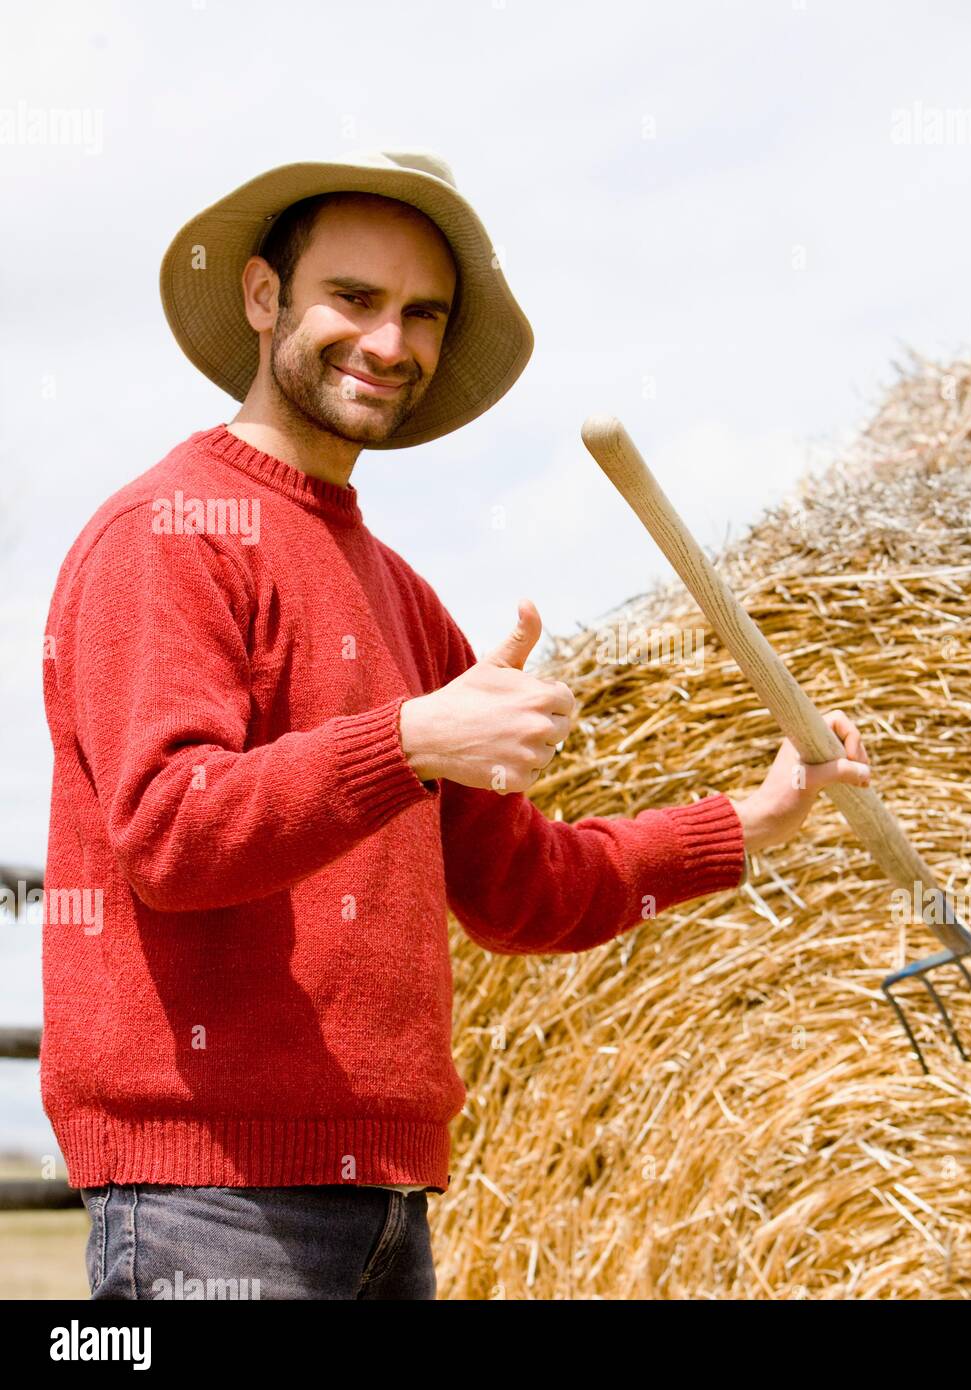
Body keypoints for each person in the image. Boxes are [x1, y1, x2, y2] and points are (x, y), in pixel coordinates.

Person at [40, 150, 873, 1300]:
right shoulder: (168, 533)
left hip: (389, 1207)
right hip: (211, 1208)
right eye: (355, 297)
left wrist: (747, 821)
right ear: (261, 296)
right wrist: (411, 741)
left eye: (421, 314)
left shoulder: (397, 593)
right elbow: (173, 836)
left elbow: (522, 887)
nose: (390, 342)